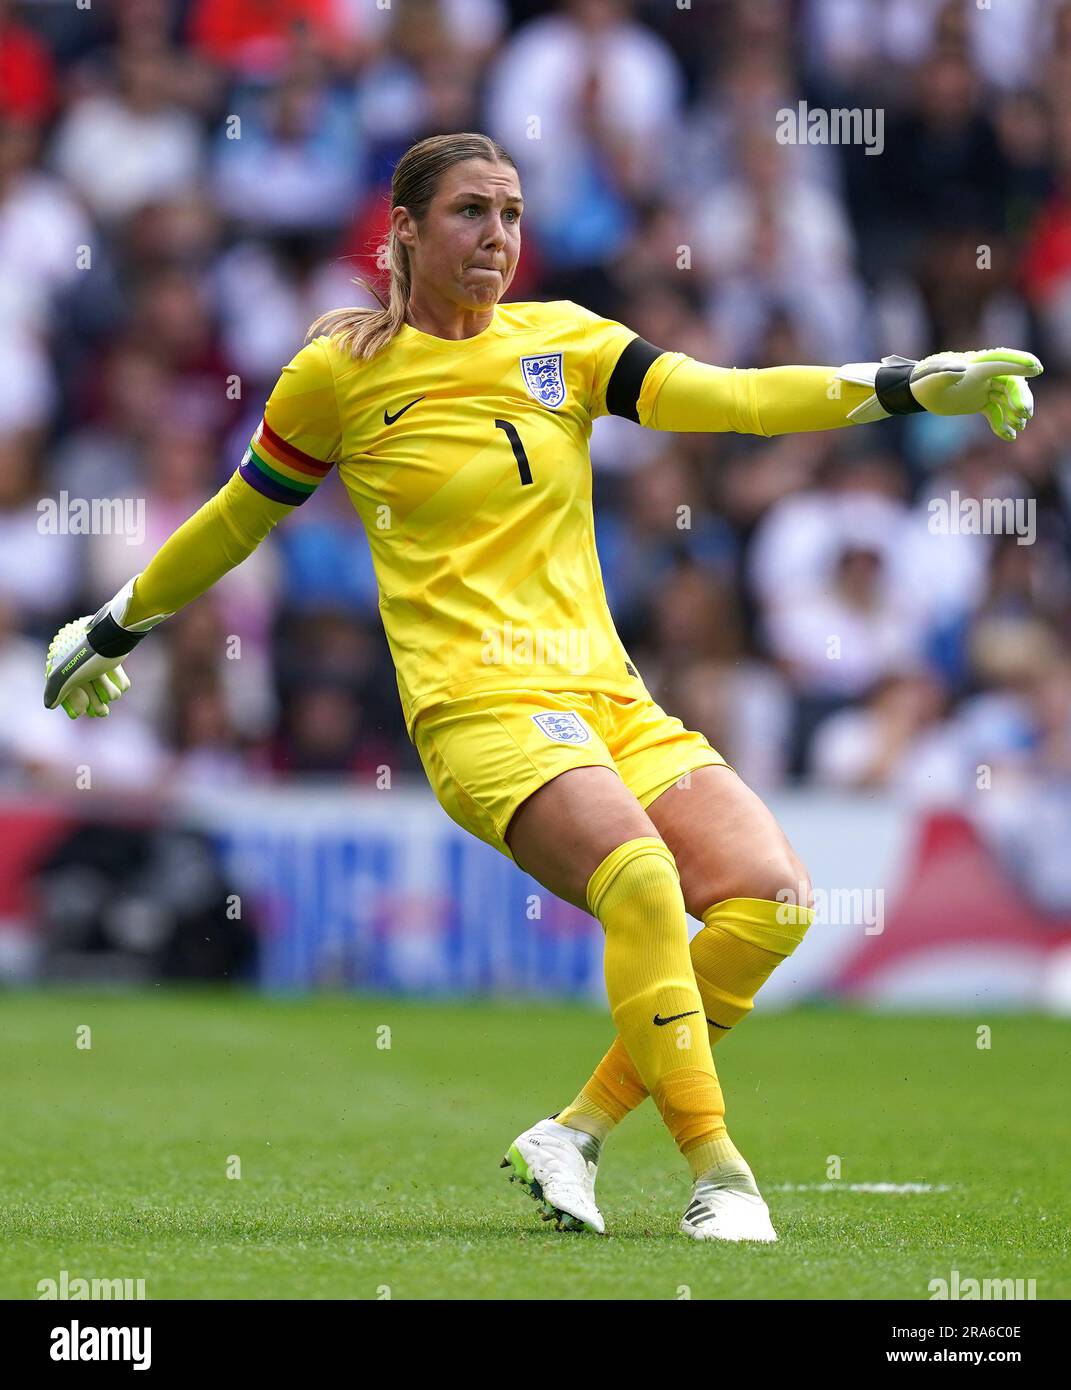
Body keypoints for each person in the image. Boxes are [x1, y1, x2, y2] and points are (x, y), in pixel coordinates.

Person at [44, 132, 1041, 1242]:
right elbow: (241, 512)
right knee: (644, 884)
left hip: (610, 699)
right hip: (478, 708)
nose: (498, 237)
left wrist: (909, 384)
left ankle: (574, 1131)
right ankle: (720, 1170)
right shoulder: (342, 372)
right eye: (471, 212)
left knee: (771, 900)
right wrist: (117, 621)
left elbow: (738, 402)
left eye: (513, 213)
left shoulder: (564, 342)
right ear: (405, 230)